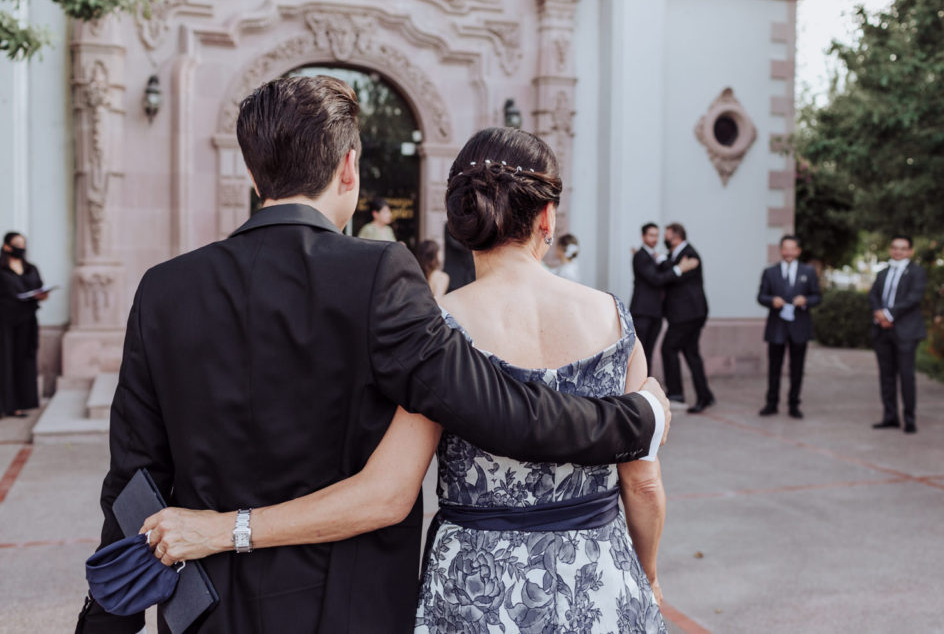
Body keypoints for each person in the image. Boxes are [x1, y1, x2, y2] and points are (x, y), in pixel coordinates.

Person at [79, 77, 670, 633]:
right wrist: (640, 419)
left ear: (255, 175)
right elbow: (501, 409)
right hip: (350, 607)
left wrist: (108, 618)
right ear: (349, 167)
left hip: (210, 609)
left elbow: (133, 480)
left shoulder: (164, 288)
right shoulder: (378, 274)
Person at [756, 234, 821, 419]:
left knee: (797, 369)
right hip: (777, 327)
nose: (789, 252)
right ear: (781, 250)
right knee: (774, 368)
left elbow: (817, 296)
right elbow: (761, 296)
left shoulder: (808, 272)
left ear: (798, 251)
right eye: (785, 248)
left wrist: (806, 300)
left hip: (799, 327)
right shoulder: (770, 272)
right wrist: (771, 300)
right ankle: (771, 403)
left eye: (793, 248)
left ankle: (794, 404)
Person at [868, 235, 927, 433]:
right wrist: (878, 313)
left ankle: (909, 419)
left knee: (906, 375)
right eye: (895, 247)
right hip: (882, 331)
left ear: (910, 251)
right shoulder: (883, 272)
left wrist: (888, 314)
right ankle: (890, 416)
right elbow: (873, 294)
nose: (898, 251)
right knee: (886, 376)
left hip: (906, 332)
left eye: (903, 248)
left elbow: (913, 298)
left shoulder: (917, 272)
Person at [660, 223, 714, 413]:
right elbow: (670, 268)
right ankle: (705, 394)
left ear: (676, 237)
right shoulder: (676, 256)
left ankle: (676, 393)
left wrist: (669, 266)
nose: (664, 240)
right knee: (691, 354)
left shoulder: (690, 255)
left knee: (669, 348)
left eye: (666, 236)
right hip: (686, 314)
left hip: (688, 314)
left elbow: (671, 278)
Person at [0, 232, 48, 418]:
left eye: (24, 243)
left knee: (24, 362)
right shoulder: (2, 269)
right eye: (17, 244)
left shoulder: (31, 268)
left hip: (27, 322)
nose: (22, 247)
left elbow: (40, 288)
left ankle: (20, 403)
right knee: (5, 363)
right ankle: (6, 405)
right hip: (5, 323)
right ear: (7, 247)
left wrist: (42, 295)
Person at [630, 223, 688, 369]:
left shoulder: (654, 256)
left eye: (656, 235)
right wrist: (679, 269)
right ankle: (638, 386)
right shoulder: (640, 256)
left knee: (648, 352)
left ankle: (645, 385)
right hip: (643, 312)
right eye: (651, 235)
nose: (654, 239)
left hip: (655, 312)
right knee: (640, 353)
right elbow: (656, 279)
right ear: (643, 236)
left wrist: (663, 261)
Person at [443, 221, 475, 291]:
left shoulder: (473, 226)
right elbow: (456, 244)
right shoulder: (450, 225)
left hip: (469, 277)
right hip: (455, 277)